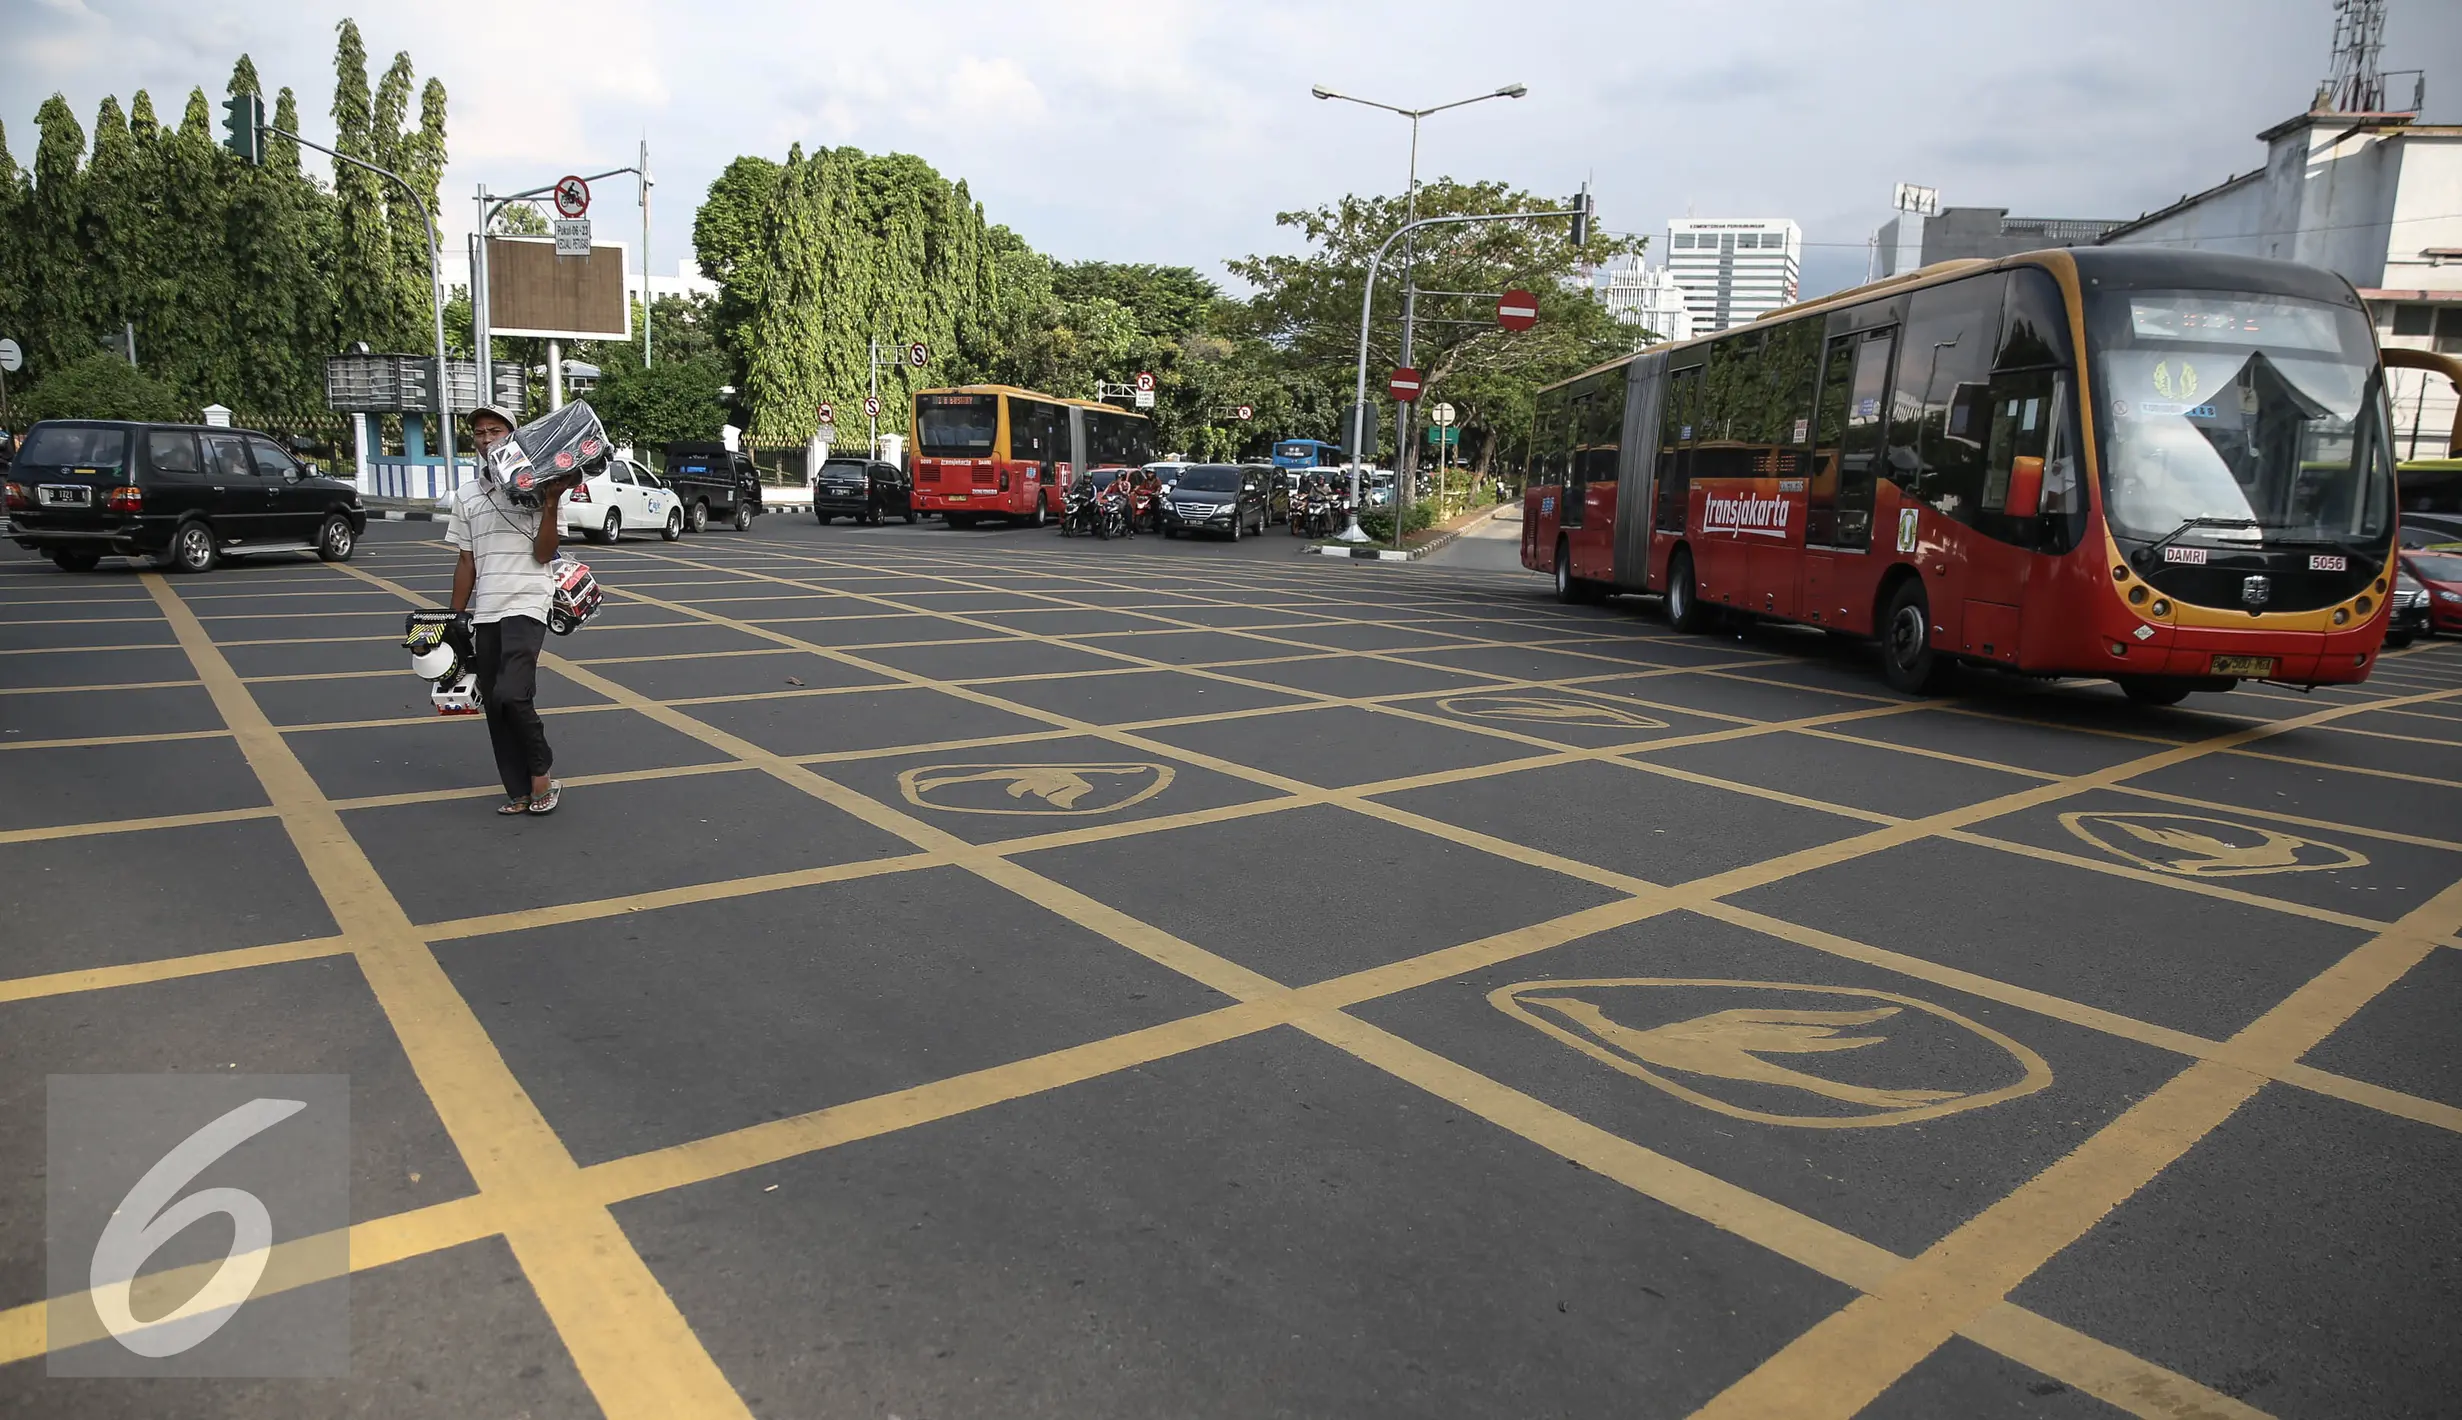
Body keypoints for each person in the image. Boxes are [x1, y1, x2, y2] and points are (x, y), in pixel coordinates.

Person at [446, 405, 575, 816]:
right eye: (480, 432)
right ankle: (517, 789)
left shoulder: (536, 485)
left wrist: (551, 502)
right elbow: (466, 561)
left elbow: (544, 553)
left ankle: (541, 774)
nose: (487, 438)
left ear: (513, 435)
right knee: (495, 703)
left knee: (512, 693)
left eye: (495, 430)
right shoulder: (467, 495)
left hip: (528, 601)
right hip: (487, 610)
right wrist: (454, 617)